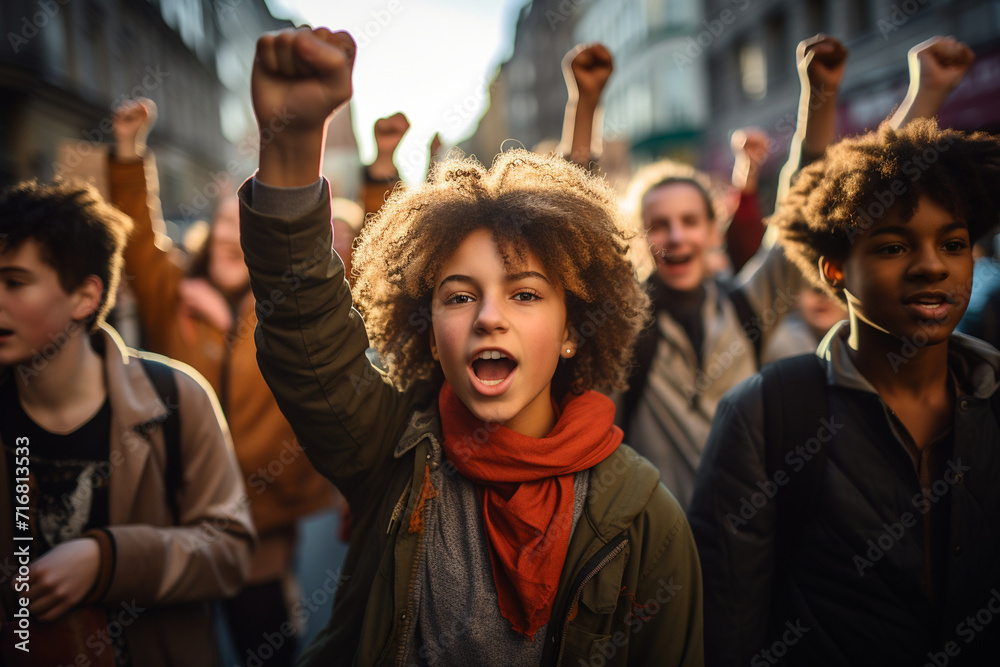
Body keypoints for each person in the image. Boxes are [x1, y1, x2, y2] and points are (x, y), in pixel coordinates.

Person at [241, 26, 703, 666]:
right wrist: (291, 146)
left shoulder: (647, 517)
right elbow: (306, 333)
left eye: (525, 294)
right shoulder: (388, 454)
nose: (489, 317)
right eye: (459, 296)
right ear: (430, 335)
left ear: (573, 331)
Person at [688, 117, 1000, 667]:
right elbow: (725, 628)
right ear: (835, 271)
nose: (932, 265)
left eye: (953, 244)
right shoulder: (766, 414)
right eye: (893, 247)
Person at [107, 100, 335, 665]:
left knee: (268, 643)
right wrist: (128, 150)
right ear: (209, 233)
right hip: (177, 515)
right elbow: (136, 236)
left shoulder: (286, 308)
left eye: (248, 226)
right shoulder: (171, 293)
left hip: (263, 519)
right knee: (183, 646)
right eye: (226, 221)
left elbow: (356, 270)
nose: (236, 234)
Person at [0, 178, 254, 666]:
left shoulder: (177, 397)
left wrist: (109, 559)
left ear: (84, 297)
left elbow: (230, 552)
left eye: (14, 282)